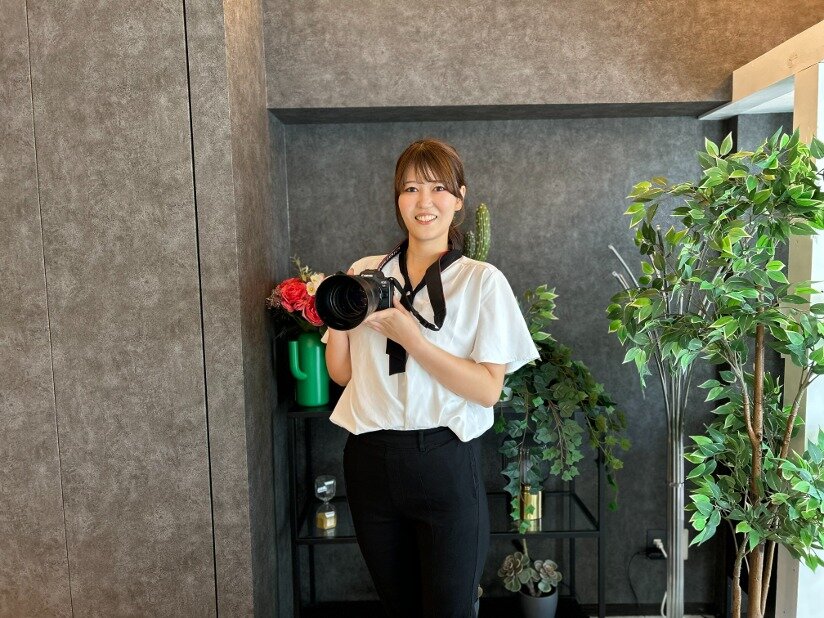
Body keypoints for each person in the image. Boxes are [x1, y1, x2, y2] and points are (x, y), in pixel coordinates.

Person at [323, 138, 539, 617]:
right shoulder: (364, 273)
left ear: (460, 198)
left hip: (443, 461)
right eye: (411, 188)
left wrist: (414, 340)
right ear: (397, 199)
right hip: (369, 461)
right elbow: (342, 373)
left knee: (449, 609)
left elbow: (487, 390)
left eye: (439, 188)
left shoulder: (482, 280)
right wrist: (335, 313)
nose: (424, 201)